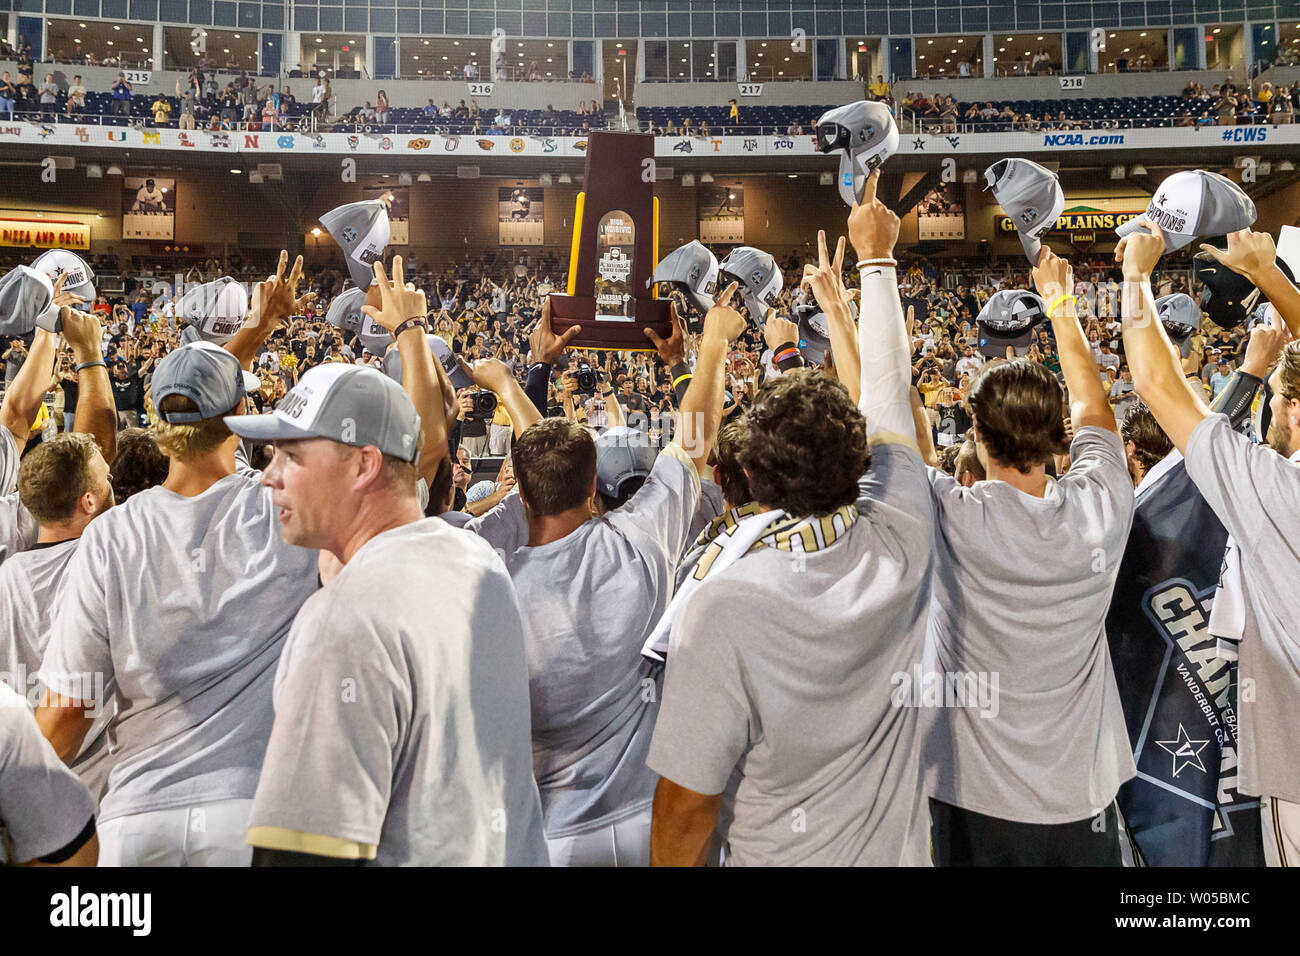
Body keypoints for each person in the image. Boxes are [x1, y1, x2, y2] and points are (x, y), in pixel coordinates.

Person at [648, 183, 934, 867]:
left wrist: (709, 353)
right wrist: (870, 270)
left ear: (752, 474)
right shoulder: (902, 538)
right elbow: (890, 398)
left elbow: (687, 806)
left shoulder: (721, 600)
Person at [231, 258, 548, 866]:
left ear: (364, 465)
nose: (268, 476)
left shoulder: (345, 617)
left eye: (291, 455)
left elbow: (305, 853)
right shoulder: (475, 558)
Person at [34, 254, 319, 867]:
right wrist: (259, 331)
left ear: (158, 425)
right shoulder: (282, 509)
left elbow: (67, 712)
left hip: (137, 821)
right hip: (255, 812)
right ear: (240, 417)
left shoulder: (109, 537)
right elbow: (417, 458)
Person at [463, 293, 728, 866]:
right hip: (643, 822)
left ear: (520, 495)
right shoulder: (634, 545)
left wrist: (520, 381)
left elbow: (540, 470)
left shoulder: (484, 580)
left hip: (542, 833)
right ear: (593, 492)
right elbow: (695, 441)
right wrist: (707, 348)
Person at [924, 246, 1136, 866]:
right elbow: (1096, 409)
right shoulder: (1102, 505)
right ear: (1057, 438)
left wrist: (865, 279)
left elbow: (886, 426)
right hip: (1083, 798)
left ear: (977, 433)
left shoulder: (950, 517)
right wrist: (1063, 308)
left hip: (975, 801)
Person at [1118, 221, 1300, 866]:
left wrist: (1136, 275)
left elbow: (1157, 385)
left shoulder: (1275, 492)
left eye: (1279, 399)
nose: (1272, 411)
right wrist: (1269, 278)